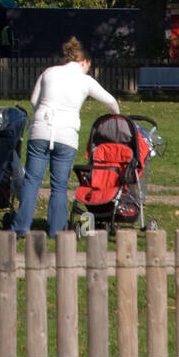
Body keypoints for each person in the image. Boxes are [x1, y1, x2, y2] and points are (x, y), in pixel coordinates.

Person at [12, 36, 120, 238]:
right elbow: (111, 102)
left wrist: (41, 116)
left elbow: (34, 99)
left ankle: (21, 228)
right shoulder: (84, 79)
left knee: (32, 180)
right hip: (66, 135)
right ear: (83, 62)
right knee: (59, 185)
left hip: (41, 129)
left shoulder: (49, 72)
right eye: (89, 66)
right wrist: (117, 116)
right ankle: (56, 231)